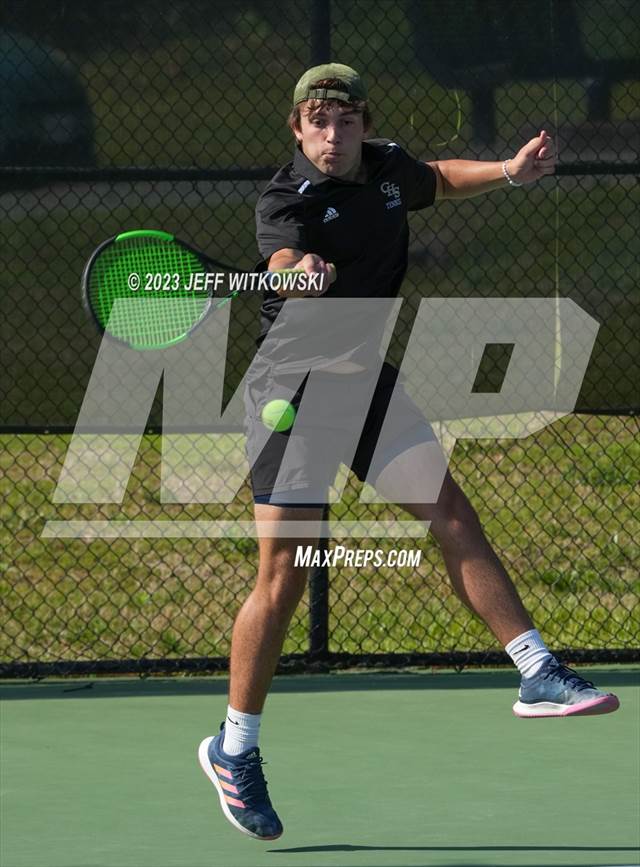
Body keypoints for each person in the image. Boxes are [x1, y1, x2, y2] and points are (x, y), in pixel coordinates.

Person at [198, 63, 619, 841]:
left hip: (365, 387)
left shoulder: (388, 166)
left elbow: (436, 179)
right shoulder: (285, 201)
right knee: (285, 577)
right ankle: (234, 749)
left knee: (450, 509)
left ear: (363, 123)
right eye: (317, 122)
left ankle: (536, 669)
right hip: (292, 396)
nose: (332, 135)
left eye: (345, 121)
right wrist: (302, 274)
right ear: (297, 128)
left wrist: (508, 171)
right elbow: (281, 264)